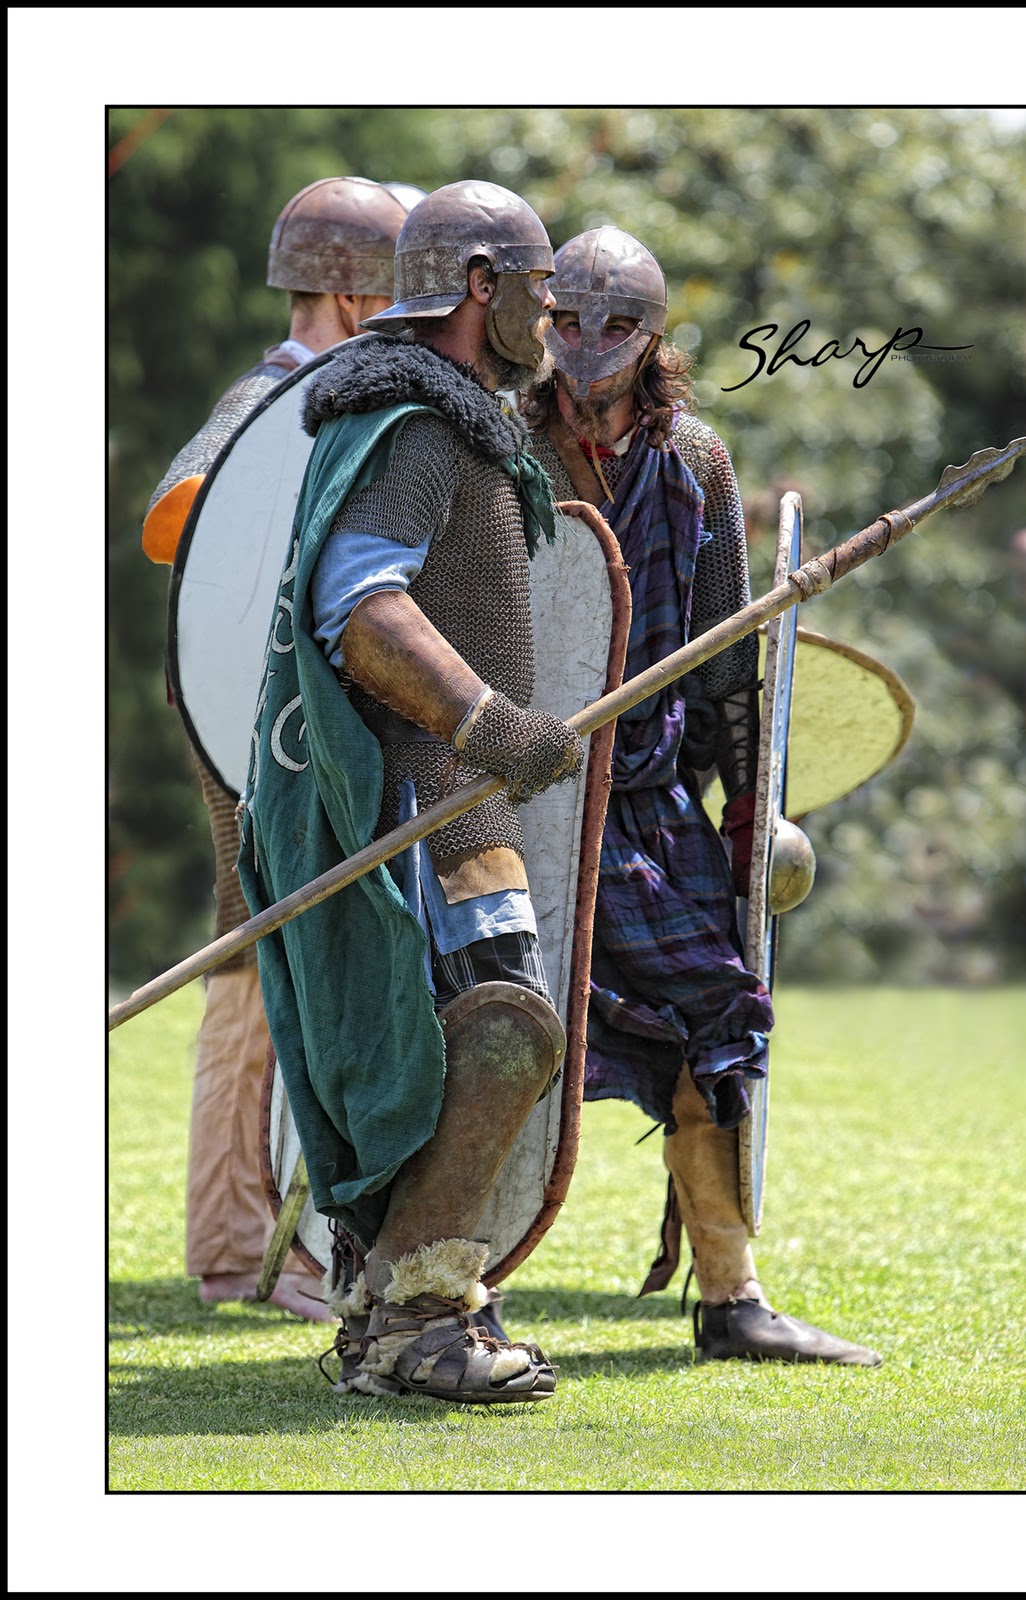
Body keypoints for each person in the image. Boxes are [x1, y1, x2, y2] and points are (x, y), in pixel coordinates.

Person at [237, 179, 585, 1403]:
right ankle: (413, 1317)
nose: (549, 313)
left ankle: (416, 1307)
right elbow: (362, 610)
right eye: (537, 289)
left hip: (448, 796)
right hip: (412, 798)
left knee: (487, 1037)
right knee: (494, 1036)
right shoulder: (415, 427)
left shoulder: (445, 420)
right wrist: (485, 720)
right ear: (480, 286)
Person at [522, 226, 882, 1366]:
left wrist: (744, 808)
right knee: (486, 1031)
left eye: (614, 326)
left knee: (715, 1022)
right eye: (568, 321)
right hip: (516, 793)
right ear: (539, 323)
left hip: (648, 799)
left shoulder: (695, 464)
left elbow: (729, 667)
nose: (587, 348)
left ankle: (730, 1297)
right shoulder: (499, 445)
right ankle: (433, 1292)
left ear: (654, 339)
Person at [143, 176, 426, 1322]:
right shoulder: (273, 397)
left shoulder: (344, 394)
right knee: (250, 955)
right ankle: (232, 1243)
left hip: (307, 713)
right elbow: (176, 518)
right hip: (253, 720)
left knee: (306, 958)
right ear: (360, 295)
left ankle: (300, 1240)